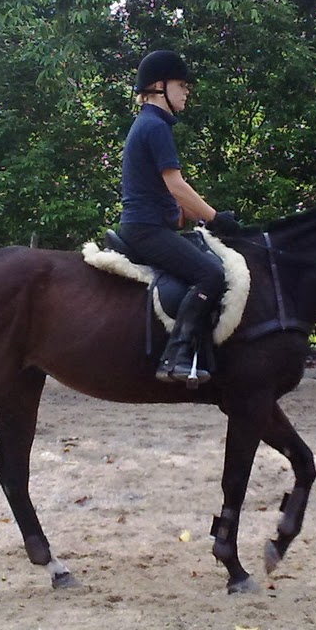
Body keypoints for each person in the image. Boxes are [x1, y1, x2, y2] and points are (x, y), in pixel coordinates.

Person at [118, 49, 240, 384]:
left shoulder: (148, 124)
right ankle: (177, 356)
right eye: (182, 85)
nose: (187, 91)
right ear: (160, 86)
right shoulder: (155, 126)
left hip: (147, 225)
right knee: (211, 275)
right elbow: (176, 185)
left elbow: (174, 195)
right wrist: (216, 218)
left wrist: (203, 219)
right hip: (147, 229)